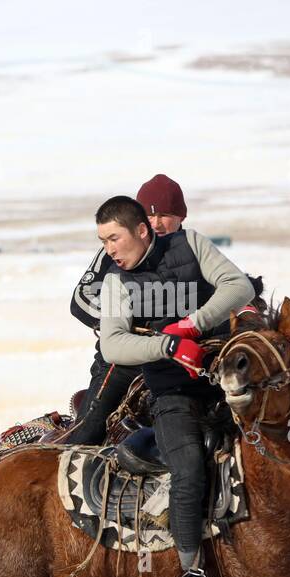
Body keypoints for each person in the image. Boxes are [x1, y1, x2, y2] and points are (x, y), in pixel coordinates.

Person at [96, 195, 254, 577]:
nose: (109, 250)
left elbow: (240, 287)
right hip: (172, 394)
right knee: (187, 467)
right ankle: (193, 571)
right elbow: (113, 345)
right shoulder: (115, 280)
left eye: (114, 238)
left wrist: (192, 324)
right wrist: (168, 345)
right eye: (103, 241)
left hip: (226, 381)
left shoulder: (191, 244)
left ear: (141, 230)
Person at [67, 174, 189, 445]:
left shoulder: (193, 249)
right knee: (87, 436)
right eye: (150, 215)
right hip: (122, 361)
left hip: (180, 360)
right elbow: (81, 300)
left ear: (181, 216)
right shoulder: (118, 248)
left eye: (165, 215)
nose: (156, 223)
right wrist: (124, 324)